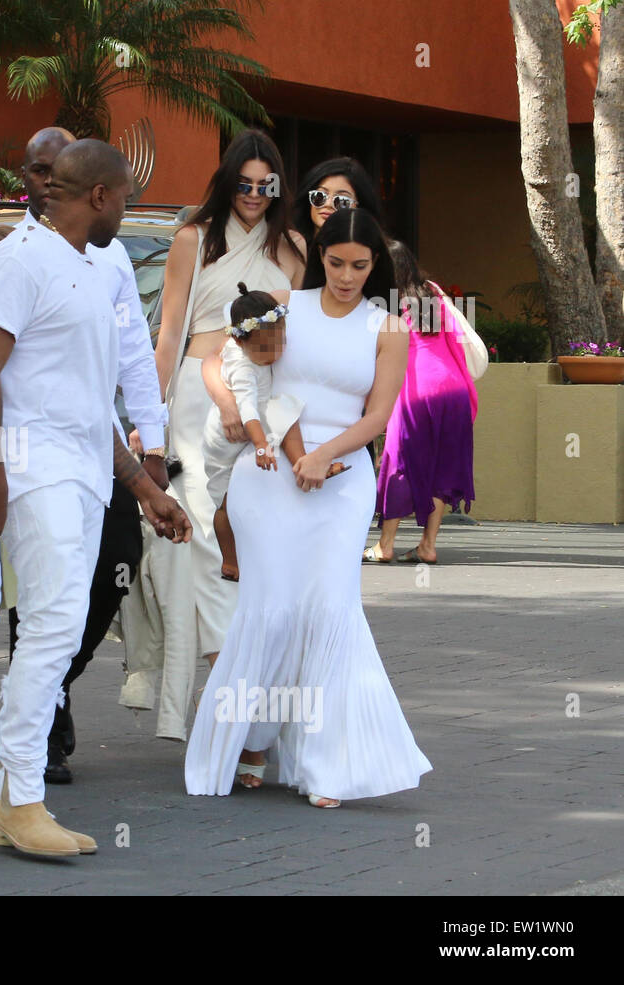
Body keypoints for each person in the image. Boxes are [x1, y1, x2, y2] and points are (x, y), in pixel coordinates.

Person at [0, 139, 191, 857]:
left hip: (88, 472)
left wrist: (144, 487)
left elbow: (91, 403)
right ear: (99, 195)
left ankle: (9, 797)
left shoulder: (92, 268)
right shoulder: (17, 258)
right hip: (33, 472)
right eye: (123, 197)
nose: (124, 209)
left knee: (54, 628)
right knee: (53, 625)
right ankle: (19, 797)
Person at [184, 207, 432, 807]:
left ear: (377, 266)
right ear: (320, 256)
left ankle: (327, 764)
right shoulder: (281, 301)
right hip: (266, 477)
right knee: (269, 613)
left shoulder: (388, 328)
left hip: (342, 480)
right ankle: (251, 739)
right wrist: (230, 407)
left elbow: (377, 415)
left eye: (360, 265)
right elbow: (218, 360)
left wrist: (323, 455)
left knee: (329, 611)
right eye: (336, 262)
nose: (347, 276)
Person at [3, 126, 168, 785]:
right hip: (34, 460)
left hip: (100, 451)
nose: (49, 180)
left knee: (116, 564)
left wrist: (151, 447)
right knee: (40, 596)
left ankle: (50, 683)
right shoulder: (13, 255)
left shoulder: (111, 259)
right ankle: (29, 752)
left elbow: (132, 357)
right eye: (39, 169)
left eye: (60, 168)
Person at [137, 129, 305, 741]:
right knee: (204, 542)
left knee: (252, 540)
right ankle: (233, 689)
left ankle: (240, 695)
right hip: (193, 403)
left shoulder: (292, 248)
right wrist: (146, 421)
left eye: (267, 185)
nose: (255, 195)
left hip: (263, 407)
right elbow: (170, 332)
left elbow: (297, 345)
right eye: (244, 184)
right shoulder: (193, 240)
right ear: (227, 180)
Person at [203, 284, 329, 581]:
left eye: (279, 343)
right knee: (223, 500)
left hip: (256, 420)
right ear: (239, 339)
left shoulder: (259, 345)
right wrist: (261, 445)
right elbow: (246, 409)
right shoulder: (243, 368)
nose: (273, 353)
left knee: (285, 409)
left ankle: (303, 462)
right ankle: (229, 560)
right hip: (229, 436)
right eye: (263, 348)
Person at [366, 241, 477, 564]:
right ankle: (428, 545)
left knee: (399, 463)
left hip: (416, 389)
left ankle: (385, 545)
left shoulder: (385, 301)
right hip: (453, 388)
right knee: (442, 466)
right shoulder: (432, 295)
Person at [292, 157, 383, 249]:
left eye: (342, 200)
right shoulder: (289, 248)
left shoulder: (377, 254)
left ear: (359, 206)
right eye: (320, 196)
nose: (328, 204)